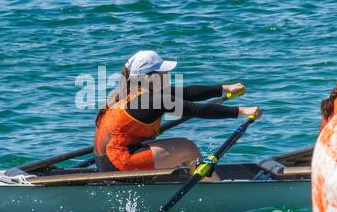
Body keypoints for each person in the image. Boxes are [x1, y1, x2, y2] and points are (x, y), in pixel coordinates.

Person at [94, 50, 261, 171]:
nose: (167, 74)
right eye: (162, 71)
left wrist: (224, 88)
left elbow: (187, 92)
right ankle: (210, 190)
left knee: (177, 150)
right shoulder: (151, 100)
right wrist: (242, 111)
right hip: (119, 162)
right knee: (187, 148)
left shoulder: (128, 92)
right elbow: (198, 110)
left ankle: (189, 177)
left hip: (107, 161)